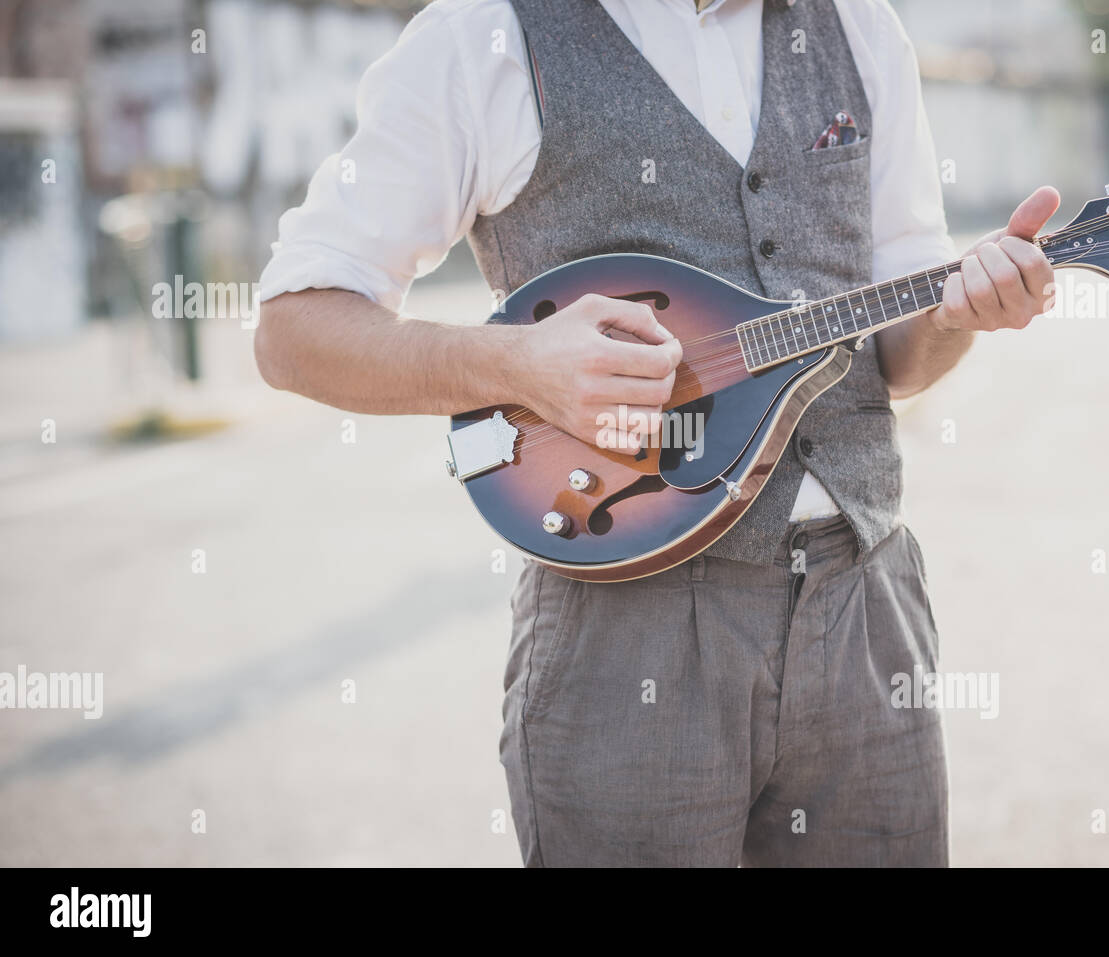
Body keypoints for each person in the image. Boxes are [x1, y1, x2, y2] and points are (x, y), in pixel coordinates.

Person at [254, 0, 1057, 867]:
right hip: (625, 627)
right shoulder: (485, 36)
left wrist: (962, 316)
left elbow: (899, 360)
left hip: (866, 604)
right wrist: (516, 364)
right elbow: (294, 331)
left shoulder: (859, 26)